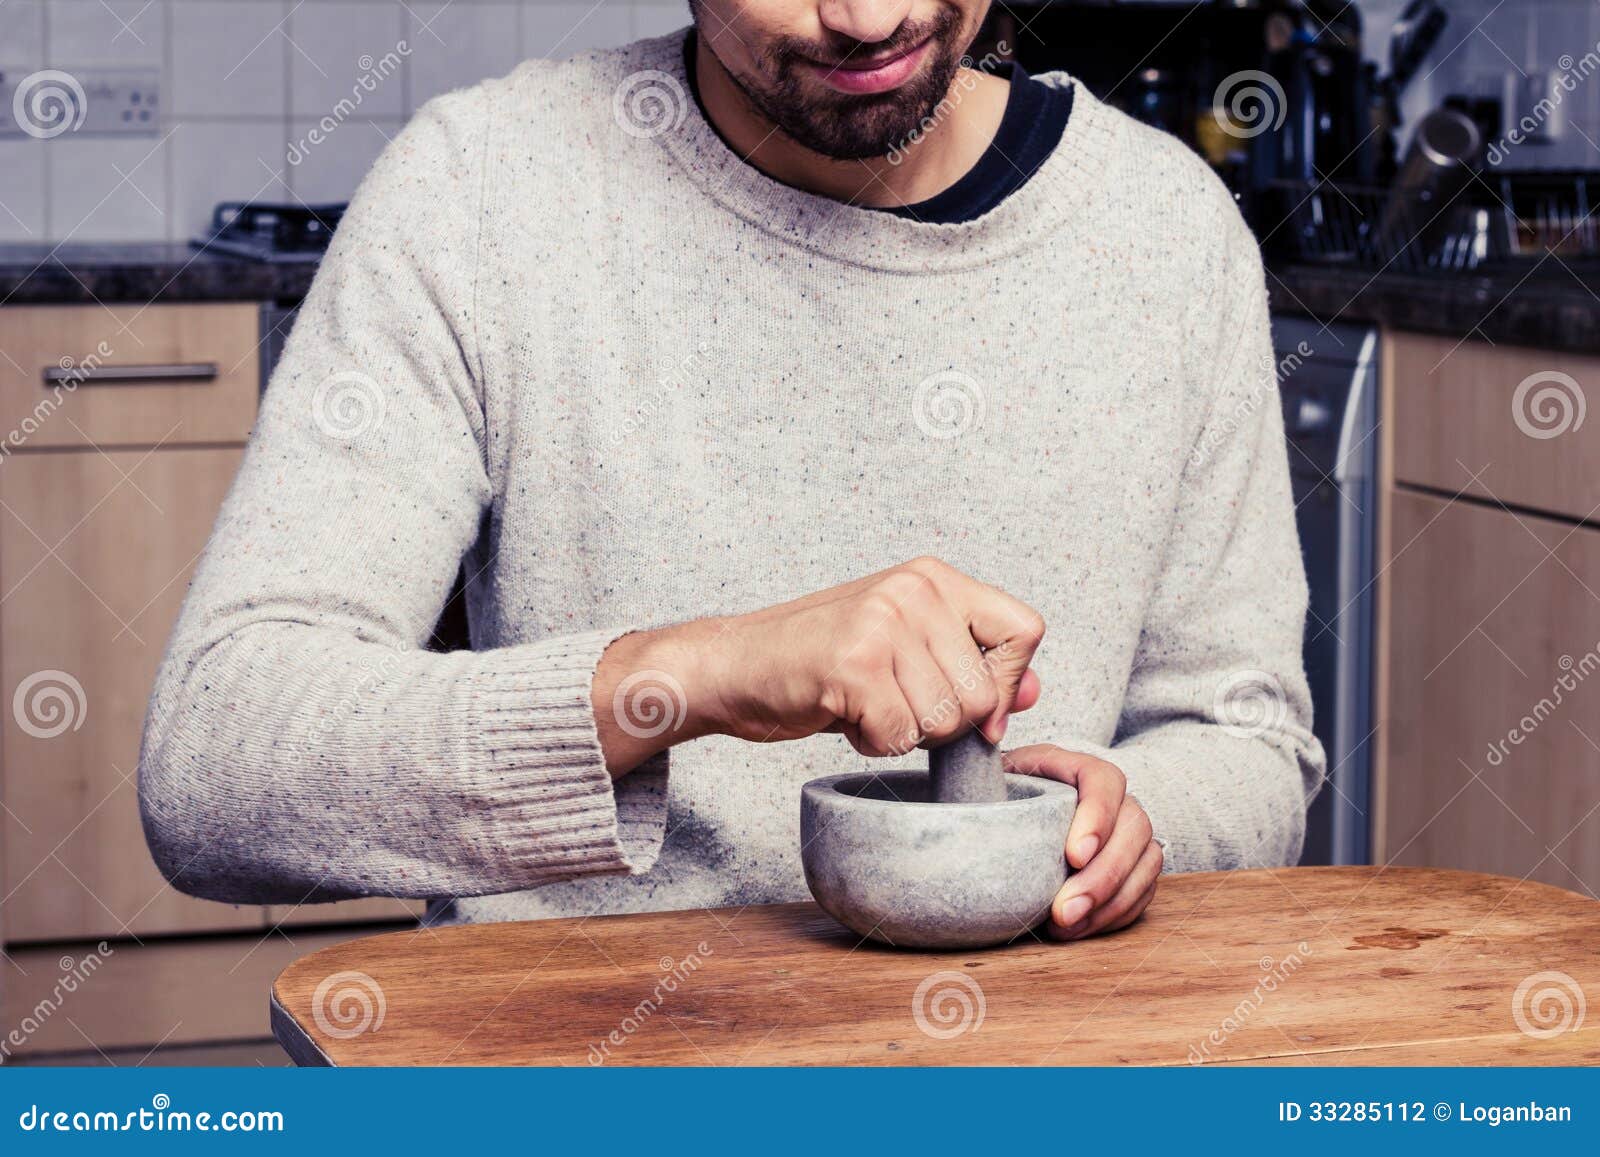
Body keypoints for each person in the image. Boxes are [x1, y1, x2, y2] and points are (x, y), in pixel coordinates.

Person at [139, 0, 1325, 943]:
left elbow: (1245, 736)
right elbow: (215, 765)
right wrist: (693, 675)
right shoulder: (482, 193)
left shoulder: (1166, 230)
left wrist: (1136, 819)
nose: (868, 17)